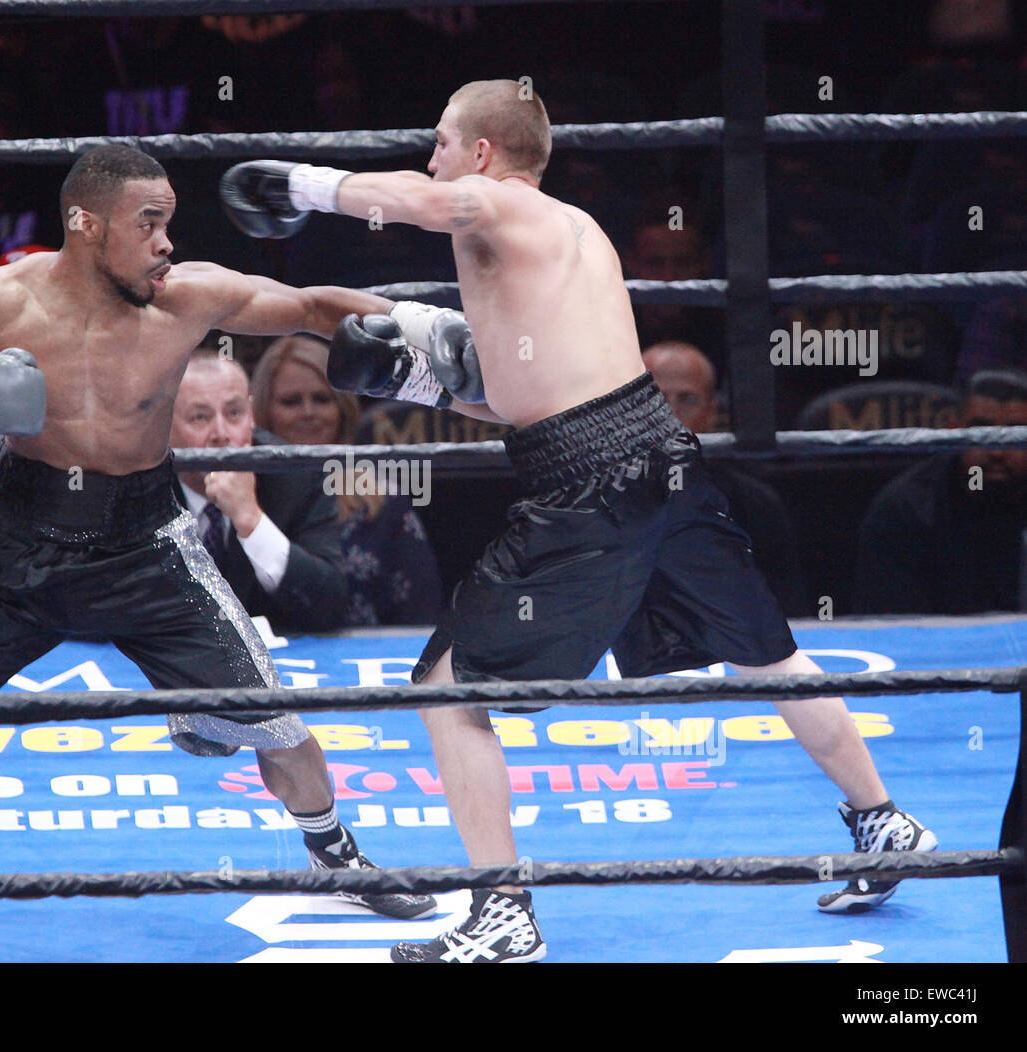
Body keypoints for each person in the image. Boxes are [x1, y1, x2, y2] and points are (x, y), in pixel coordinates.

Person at [223, 79, 938, 962]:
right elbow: (524, 396)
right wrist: (419, 378)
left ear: (482, 152)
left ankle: (503, 913)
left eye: (442, 140)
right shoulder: (574, 233)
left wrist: (302, 183)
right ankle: (884, 821)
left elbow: (427, 203)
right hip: (659, 456)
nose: (432, 157)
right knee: (767, 654)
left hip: (590, 481)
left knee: (446, 689)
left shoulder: (489, 201)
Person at [0, 144, 435, 925]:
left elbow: (313, 307)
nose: (166, 243)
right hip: (11, 553)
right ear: (86, 224)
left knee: (277, 724)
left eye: (170, 223)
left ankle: (337, 861)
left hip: (145, 546)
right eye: (149, 223)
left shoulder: (188, 298)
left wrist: (429, 332)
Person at [248, 334, 443, 626]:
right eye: (291, 402)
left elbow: (421, 615)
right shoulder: (237, 495)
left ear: (343, 408)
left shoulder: (382, 500)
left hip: (364, 663)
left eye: (322, 399)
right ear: (262, 411)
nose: (308, 412)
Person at [169, 350, 349, 634]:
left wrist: (252, 522)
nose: (221, 433)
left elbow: (330, 606)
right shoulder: (136, 482)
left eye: (234, 413)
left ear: (251, 415)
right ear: (163, 424)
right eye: (200, 417)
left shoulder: (296, 473)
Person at [642, 341, 809, 616]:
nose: (669, 413)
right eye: (655, 399)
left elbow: (790, 617)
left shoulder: (755, 504)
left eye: (687, 399)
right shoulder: (592, 499)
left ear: (711, 412)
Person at [855, 368, 1027, 614]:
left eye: (1014, 434)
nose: (997, 451)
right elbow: (887, 629)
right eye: (982, 431)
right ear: (953, 430)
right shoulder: (904, 510)